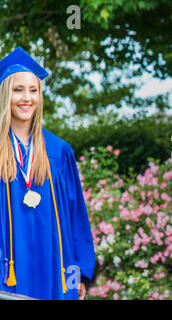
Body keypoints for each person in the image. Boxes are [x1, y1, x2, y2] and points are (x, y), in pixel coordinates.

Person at [0, 47, 95, 300]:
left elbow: (76, 217)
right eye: (17, 89)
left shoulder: (58, 151)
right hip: (7, 267)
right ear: (4, 95)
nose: (26, 98)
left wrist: (80, 274)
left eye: (33, 90)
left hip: (56, 268)